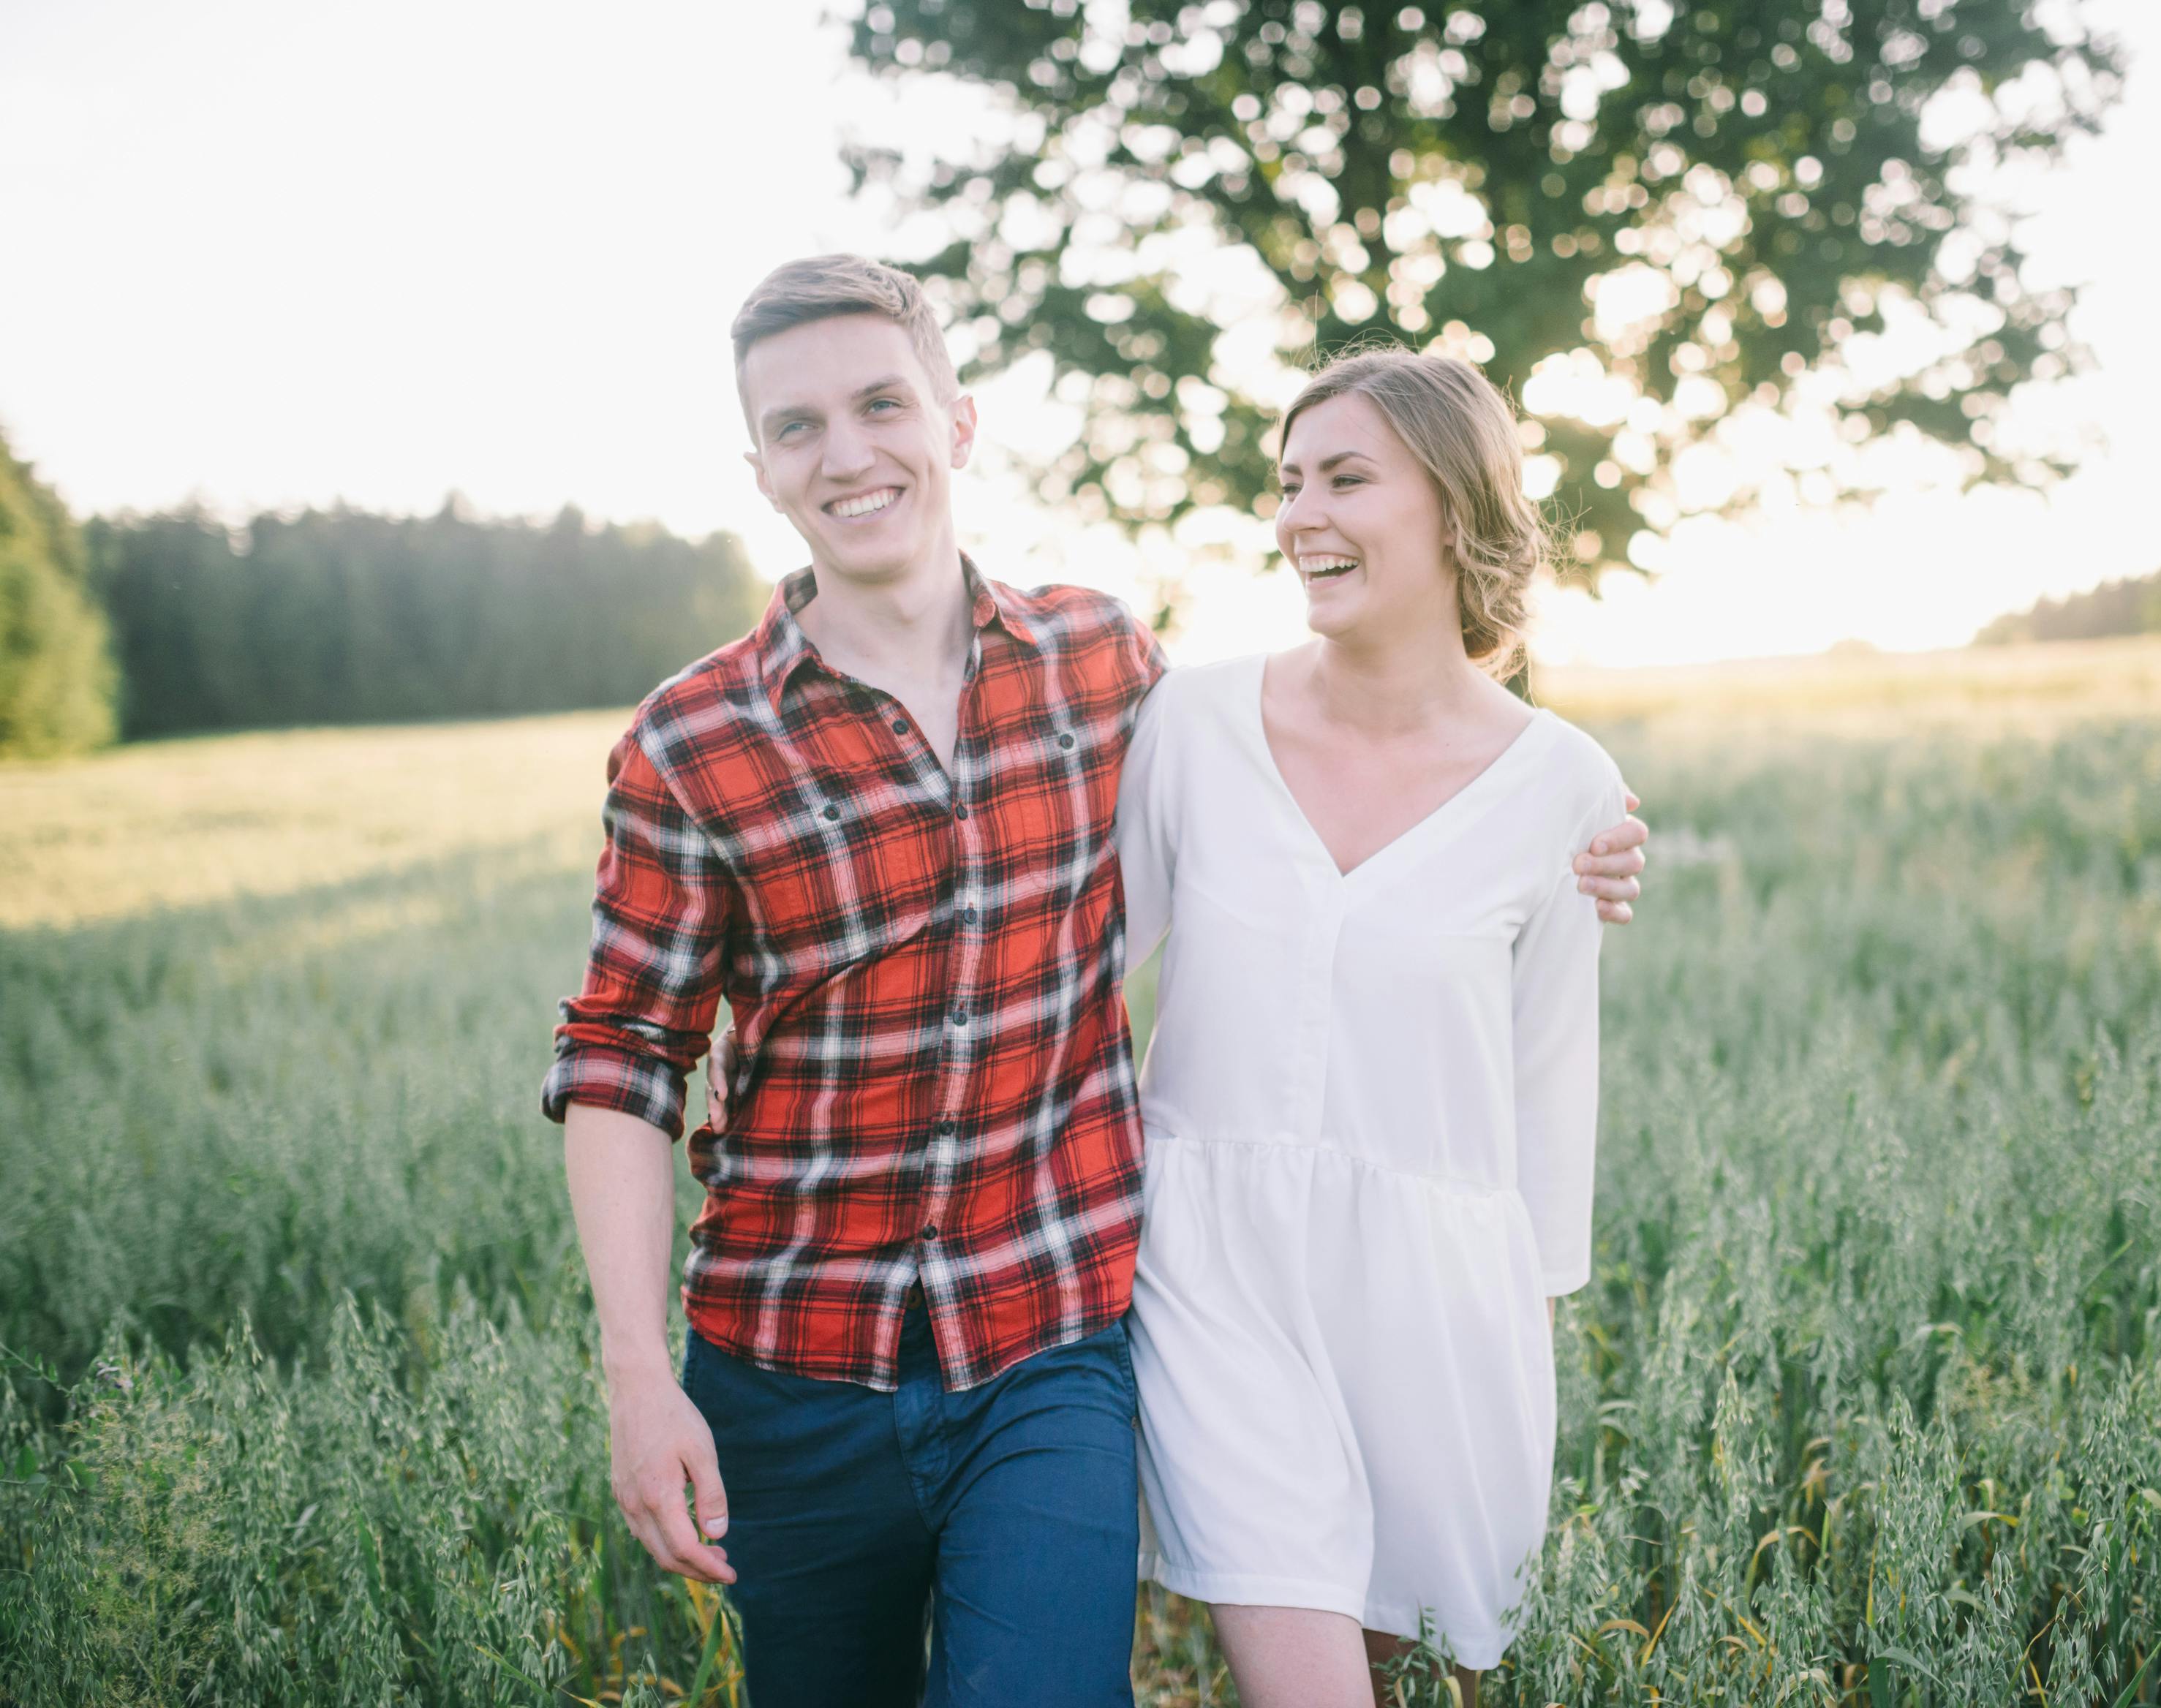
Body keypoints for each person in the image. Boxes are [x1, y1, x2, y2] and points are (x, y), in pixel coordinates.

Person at [546, 254, 1648, 1708]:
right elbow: (622, 1054)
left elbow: (1349, 793)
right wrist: (639, 1376)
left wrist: (1574, 839)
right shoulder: (694, 740)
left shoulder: (1100, 666)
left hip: (1047, 1340)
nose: (849, 452)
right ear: (758, 468)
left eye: (883, 402)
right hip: (789, 1353)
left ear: (958, 422)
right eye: (797, 426)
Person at [1112, 349, 1617, 1705]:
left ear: (1454, 506)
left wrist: (1524, 1318)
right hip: (1211, 1268)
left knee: (1367, 1670)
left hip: (1432, 1291)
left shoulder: (1566, 786)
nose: (1299, 518)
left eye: (1346, 478)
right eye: (1288, 485)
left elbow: (1547, 1075)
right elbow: (1079, 964)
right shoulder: (1196, 724)